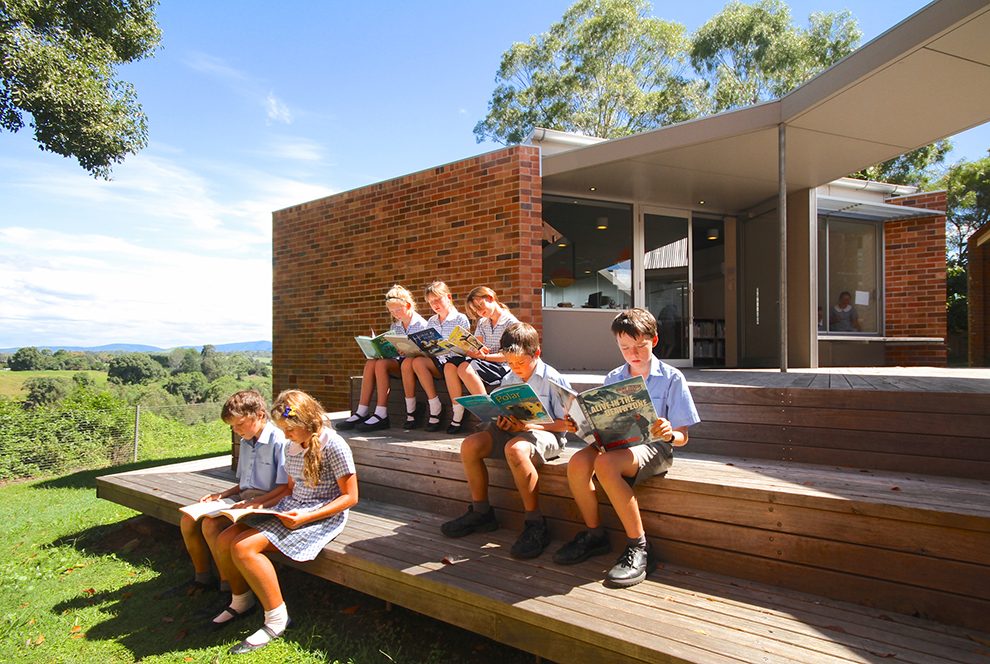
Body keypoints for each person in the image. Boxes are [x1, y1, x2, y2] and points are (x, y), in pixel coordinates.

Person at [553, 308, 700, 588]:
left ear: (653, 341)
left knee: (605, 465)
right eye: (625, 348)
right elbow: (602, 425)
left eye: (640, 346)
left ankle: (639, 546)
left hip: (655, 448)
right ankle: (595, 535)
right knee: (577, 463)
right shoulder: (614, 377)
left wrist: (670, 433)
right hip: (614, 442)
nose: (633, 353)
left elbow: (682, 437)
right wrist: (580, 424)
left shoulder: (671, 378)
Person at [207, 390, 358, 654]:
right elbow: (289, 489)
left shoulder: (334, 445)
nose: (285, 436)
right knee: (224, 537)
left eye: (289, 430)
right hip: (291, 509)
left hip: (320, 515)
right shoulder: (291, 446)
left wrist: (306, 517)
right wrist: (259, 505)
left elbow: (350, 497)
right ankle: (241, 601)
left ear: (306, 422)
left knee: (243, 547)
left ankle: (277, 619)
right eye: (282, 430)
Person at [440, 322, 572, 559]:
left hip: (548, 434)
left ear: (537, 354)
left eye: (520, 363)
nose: (515, 368)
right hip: (513, 430)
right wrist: (500, 419)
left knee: (516, 449)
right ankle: (481, 513)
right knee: (470, 445)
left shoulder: (553, 379)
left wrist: (527, 426)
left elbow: (567, 424)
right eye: (510, 363)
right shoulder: (510, 376)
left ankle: (535, 523)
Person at [160, 390, 288, 622]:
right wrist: (223, 494)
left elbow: (284, 487)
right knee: (188, 519)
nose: (236, 430)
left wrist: (253, 503)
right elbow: (244, 482)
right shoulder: (247, 440)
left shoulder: (279, 440)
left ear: (260, 415)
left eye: (240, 424)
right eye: (232, 426)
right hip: (243, 498)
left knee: (211, 526)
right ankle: (202, 578)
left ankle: (227, 589)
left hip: (265, 502)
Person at [337, 285, 429, 432]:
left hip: (412, 366)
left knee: (381, 365)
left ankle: (381, 413)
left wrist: (408, 350)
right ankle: (362, 411)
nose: (396, 314)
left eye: (398, 310)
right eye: (392, 311)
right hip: (400, 362)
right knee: (372, 363)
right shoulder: (396, 325)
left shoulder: (422, 324)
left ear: (409, 305)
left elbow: (426, 351)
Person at [443, 286, 519, 434]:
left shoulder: (510, 322)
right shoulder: (483, 322)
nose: (479, 311)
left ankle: (490, 416)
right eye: (475, 310)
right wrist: (468, 348)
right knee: (450, 366)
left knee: (464, 368)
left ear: (490, 298)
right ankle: (457, 414)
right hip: (483, 362)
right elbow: (477, 346)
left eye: (480, 306)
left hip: (502, 366)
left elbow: (509, 355)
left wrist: (483, 356)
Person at [405, 281, 471, 431]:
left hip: (455, 361)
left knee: (449, 366)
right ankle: (434, 405)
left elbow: (466, 346)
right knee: (417, 362)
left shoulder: (460, 318)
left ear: (448, 297)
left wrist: (450, 346)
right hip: (437, 360)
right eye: (430, 302)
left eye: (437, 300)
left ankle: (458, 414)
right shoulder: (431, 321)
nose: (434, 304)